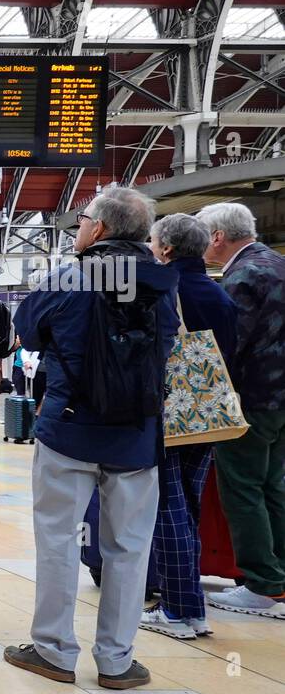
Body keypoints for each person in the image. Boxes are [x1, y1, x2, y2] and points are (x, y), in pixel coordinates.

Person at [5, 186, 179, 689]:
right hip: (136, 437)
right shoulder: (162, 284)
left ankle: (54, 651)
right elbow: (170, 343)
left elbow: (30, 332)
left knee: (59, 539)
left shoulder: (70, 276)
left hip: (69, 432)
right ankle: (117, 661)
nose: (78, 228)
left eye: (82, 220)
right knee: (128, 546)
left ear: (98, 228)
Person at [135, 213, 239, 640]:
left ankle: (179, 609)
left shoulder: (163, 289)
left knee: (167, 508)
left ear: (166, 249)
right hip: (209, 413)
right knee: (189, 506)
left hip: (169, 412)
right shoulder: (220, 294)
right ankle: (192, 609)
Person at [195, 202, 285, 618]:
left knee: (243, 487)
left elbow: (230, 343)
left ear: (217, 237)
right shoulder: (279, 264)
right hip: (281, 401)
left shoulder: (242, 276)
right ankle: (279, 577)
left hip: (251, 400)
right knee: (274, 485)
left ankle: (263, 585)